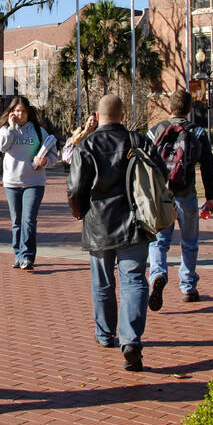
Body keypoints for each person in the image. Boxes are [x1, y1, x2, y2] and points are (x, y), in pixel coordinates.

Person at [67, 93, 168, 372]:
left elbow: (75, 189)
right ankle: (131, 340)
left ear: (97, 117)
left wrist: (78, 211)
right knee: (134, 279)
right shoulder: (138, 141)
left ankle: (104, 334)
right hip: (135, 220)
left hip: (98, 223)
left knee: (102, 282)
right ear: (123, 115)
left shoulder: (86, 145)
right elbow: (162, 174)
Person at [146, 89, 213, 309]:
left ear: (170, 107)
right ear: (189, 109)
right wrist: (211, 197)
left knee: (159, 241)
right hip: (186, 194)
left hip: (162, 196)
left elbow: (145, 165)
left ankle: (158, 274)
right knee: (189, 242)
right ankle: (188, 286)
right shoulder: (197, 133)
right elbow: (207, 166)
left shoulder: (155, 131)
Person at [0, 96, 59, 270]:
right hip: (12, 183)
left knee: (28, 219)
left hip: (34, 182)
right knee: (16, 220)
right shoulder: (6, 130)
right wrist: (11, 128)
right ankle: (18, 254)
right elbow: (1, 147)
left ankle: (27, 256)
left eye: (22, 111)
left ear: (28, 112)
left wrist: (44, 162)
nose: (20, 114)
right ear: (11, 112)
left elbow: (54, 156)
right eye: (16, 111)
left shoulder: (38, 131)